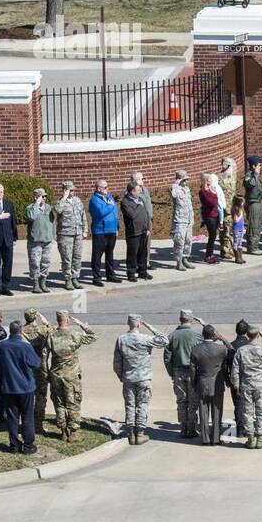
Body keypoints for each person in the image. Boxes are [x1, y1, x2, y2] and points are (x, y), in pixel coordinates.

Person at [113, 314, 167, 445]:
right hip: (144, 378)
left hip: (128, 378)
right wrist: (150, 327)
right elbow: (164, 341)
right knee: (142, 405)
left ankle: (131, 433)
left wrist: (121, 376)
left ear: (128, 323)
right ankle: (140, 434)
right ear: (138, 324)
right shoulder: (145, 338)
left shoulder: (121, 339)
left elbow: (116, 363)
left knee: (130, 405)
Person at [45, 310, 96, 442]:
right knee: (73, 403)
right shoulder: (75, 335)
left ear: (58, 320)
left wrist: (47, 374)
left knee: (59, 402)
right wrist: (80, 324)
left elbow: (44, 357)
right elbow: (92, 336)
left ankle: (63, 431)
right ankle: (72, 433)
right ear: (67, 320)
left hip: (56, 375)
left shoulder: (51, 336)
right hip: (72, 376)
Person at [0, 320, 42, 454]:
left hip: (9, 387)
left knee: (12, 417)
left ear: (10, 330)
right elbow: (36, 363)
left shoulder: (2, 346)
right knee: (27, 417)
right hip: (25, 387)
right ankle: (28, 446)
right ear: (21, 330)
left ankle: (14, 445)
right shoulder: (25, 346)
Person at [231, 321, 262, 449]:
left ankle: (250, 439)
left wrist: (236, 386)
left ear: (247, 335)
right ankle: (260, 438)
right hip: (261, 386)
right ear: (258, 335)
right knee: (261, 412)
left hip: (246, 385)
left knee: (247, 412)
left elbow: (235, 371)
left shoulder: (241, 351)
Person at [164, 310, 204, 438]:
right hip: (193, 372)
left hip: (178, 371)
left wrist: (172, 373)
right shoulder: (197, 335)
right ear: (191, 319)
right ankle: (192, 428)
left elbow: (167, 357)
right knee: (193, 401)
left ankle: (183, 428)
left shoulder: (172, 336)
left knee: (181, 401)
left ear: (180, 319)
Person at [189, 323, 229, 446]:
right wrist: (224, 340)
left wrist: (195, 384)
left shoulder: (195, 349)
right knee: (217, 412)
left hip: (202, 383)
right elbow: (232, 351)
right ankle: (216, 438)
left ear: (202, 335)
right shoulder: (222, 349)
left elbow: (193, 370)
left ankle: (205, 439)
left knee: (203, 412)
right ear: (214, 335)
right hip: (217, 384)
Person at [51, 181, 85, 291]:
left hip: (78, 233)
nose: (73, 192)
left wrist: (85, 229)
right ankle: (68, 279)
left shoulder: (77, 201)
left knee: (77, 257)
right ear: (65, 190)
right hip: (65, 235)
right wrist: (64, 197)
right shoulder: (60, 202)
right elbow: (57, 210)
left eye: (73, 190)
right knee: (67, 259)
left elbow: (83, 215)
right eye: (70, 190)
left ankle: (75, 278)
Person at [87, 179, 119, 286]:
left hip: (111, 230)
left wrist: (116, 227)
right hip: (100, 231)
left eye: (107, 187)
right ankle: (96, 277)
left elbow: (115, 213)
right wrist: (111, 205)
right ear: (98, 188)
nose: (107, 189)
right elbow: (101, 212)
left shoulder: (109, 198)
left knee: (110, 254)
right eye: (105, 187)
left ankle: (110, 275)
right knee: (97, 255)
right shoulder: (94, 200)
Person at [119, 180, 152, 281]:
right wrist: (139, 205)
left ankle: (143, 272)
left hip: (143, 231)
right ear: (132, 191)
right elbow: (132, 215)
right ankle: (131, 273)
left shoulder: (139, 199)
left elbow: (145, 215)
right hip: (133, 232)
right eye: (138, 190)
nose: (139, 192)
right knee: (132, 254)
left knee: (143, 253)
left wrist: (147, 228)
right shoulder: (125, 202)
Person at [170, 170, 195, 271]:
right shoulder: (175, 188)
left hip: (188, 219)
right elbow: (173, 195)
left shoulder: (187, 189)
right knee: (179, 241)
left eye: (187, 180)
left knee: (188, 241)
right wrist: (177, 183)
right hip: (180, 220)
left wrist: (192, 219)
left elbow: (190, 205)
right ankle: (178, 261)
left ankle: (185, 258)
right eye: (184, 180)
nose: (186, 182)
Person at [243, 156, 262, 255]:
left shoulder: (256, 175)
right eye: (259, 165)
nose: (260, 167)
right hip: (252, 203)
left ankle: (255, 245)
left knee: (258, 225)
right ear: (253, 166)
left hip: (258, 202)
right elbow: (250, 184)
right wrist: (256, 173)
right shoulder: (249, 176)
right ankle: (252, 247)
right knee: (253, 226)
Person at [200, 172, 223, 262]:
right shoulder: (203, 192)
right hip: (209, 217)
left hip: (215, 215)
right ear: (206, 181)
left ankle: (211, 254)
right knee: (212, 236)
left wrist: (212, 191)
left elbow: (216, 200)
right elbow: (212, 202)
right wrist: (213, 193)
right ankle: (208, 256)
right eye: (209, 179)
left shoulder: (210, 190)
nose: (211, 181)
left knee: (213, 236)